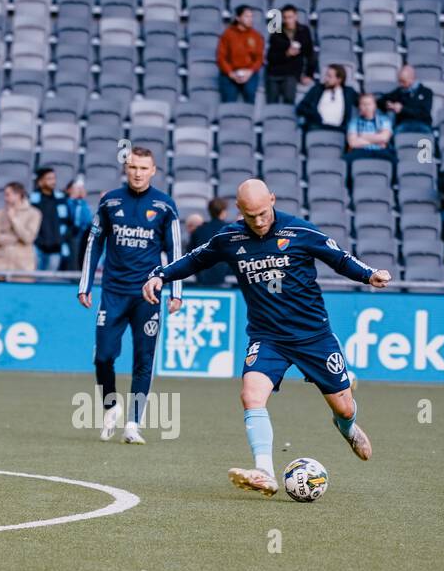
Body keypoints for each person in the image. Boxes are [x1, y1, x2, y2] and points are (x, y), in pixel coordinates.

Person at [143, 178, 391, 495]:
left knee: (343, 407)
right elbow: (195, 258)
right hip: (267, 337)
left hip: (313, 335)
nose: (258, 222)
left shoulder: (300, 231)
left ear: (272, 200)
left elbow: (339, 257)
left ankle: (346, 427)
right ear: (239, 210)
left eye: (262, 213)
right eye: (250, 216)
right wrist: (160, 275)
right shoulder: (229, 238)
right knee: (251, 394)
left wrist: (369, 274)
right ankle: (264, 471)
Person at [77, 147, 184, 444]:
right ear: (126, 168)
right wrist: (85, 284)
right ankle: (110, 405)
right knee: (103, 357)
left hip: (147, 295)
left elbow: (175, 251)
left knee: (143, 359)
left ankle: (133, 423)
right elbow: (94, 241)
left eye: (143, 168)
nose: (138, 173)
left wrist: (176, 290)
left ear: (153, 171)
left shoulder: (165, 205)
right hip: (113, 292)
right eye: (133, 167)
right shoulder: (110, 201)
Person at [264, 4, 315, 106]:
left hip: (292, 72)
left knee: (289, 101)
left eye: (290, 17)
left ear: (296, 16)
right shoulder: (276, 31)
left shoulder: (304, 30)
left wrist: (309, 75)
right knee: (271, 103)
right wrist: (286, 54)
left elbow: (310, 54)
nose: (287, 20)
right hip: (274, 72)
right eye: (285, 17)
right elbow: (270, 57)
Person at [0, 182, 40, 273]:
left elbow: (28, 238)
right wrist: (13, 239)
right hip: (1, 268)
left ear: (18, 195)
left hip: (23, 269)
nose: (5, 198)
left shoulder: (34, 213)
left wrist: (14, 219)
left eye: (8, 195)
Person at [217, 4, 263, 104]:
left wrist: (250, 72)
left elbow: (259, 58)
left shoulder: (256, 35)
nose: (250, 19)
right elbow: (221, 57)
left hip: (249, 72)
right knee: (228, 101)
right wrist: (231, 73)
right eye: (247, 16)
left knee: (250, 95)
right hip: (230, 73)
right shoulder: (227, 34)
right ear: (238, 18)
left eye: (251, 16)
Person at [30, 166, 72, 272]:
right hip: (37, 247)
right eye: (49, 179)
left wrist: (63, 238)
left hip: (56, 247)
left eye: (54, 178)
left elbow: (68, 222)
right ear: (40, 182)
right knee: (36, 280)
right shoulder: (32, 200)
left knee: (51, 280)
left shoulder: (61, 198)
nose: (53, 181)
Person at [296, 63, 356, 135]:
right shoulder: (317, 89)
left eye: (329, 76)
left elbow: (364, 101)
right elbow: (301, 107)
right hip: (317, 127)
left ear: (339, 79)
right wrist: (314, 114)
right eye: (326, 75)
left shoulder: (349, 92)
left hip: (340, 130)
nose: (326, 79)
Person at [379, 65, 434, 133]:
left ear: (412, 79)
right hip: (403, 124)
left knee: (426, 139)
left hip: (423, 124)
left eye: (403, 81)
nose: (400, 84)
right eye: (399, 81)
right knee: (396, 134)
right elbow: (380, 101)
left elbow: (424, 113)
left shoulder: (426, 92)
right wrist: (389, 105)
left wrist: (402, 109)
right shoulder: (399, 92)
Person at [188, 197, 230, 286]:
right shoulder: (229, 230)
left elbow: (190, 254)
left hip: (202, 277)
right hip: (224, 277)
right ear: (223, 212)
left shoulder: (199, 230)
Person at [345, 93, 395, 165]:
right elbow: (353, 143)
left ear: (375, 106)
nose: (367, 107)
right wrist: (377, 140)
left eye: (369, 104)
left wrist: (362, 136)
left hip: (380, 151)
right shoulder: (354, 122)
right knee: (344, 161)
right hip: (360, 151)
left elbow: (384, 138)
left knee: (395, 162)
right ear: (359, 106)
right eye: (363, 104)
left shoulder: (384, 120)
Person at [64, 179, 92, 268]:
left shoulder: (83, 203)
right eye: (76, 188)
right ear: (69, 190)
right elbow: (71, 217)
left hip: (85, 234)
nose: (79, 190)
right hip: (72, 235)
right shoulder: (66, 202)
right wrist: (73, 197)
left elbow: (88, 219)